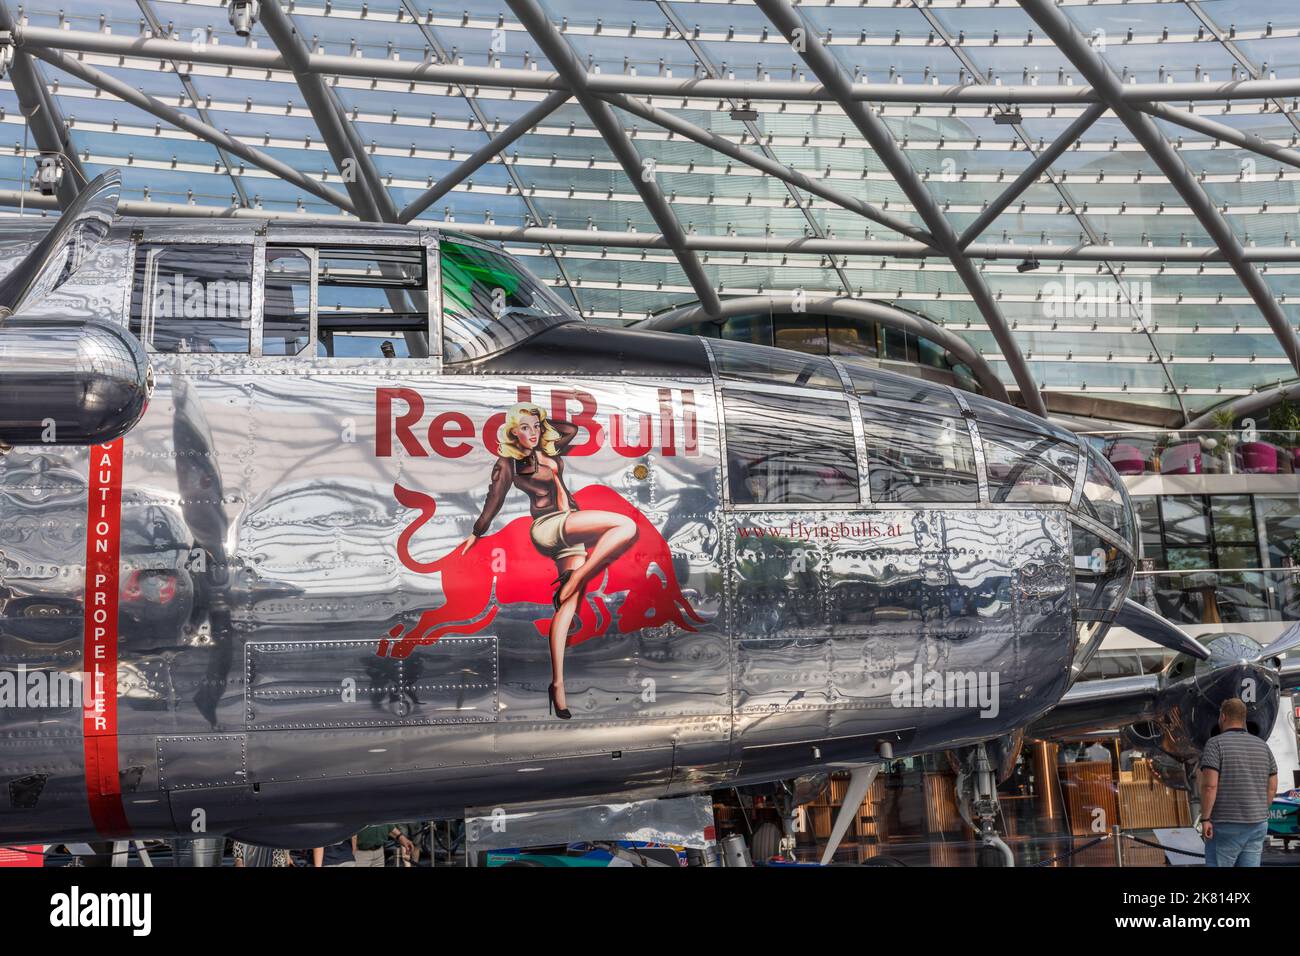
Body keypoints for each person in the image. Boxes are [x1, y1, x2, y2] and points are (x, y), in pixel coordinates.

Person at [461, 403, 638, 719]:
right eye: (524, 428)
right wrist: (477, 531)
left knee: (566, 607)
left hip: (569, 529)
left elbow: (571, 430)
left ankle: (558, 686)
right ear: (513, 431)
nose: (532, 433)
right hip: (548, 526)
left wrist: (538, 416)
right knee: (625, 525)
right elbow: (494, 498)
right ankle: (579, 576)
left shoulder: (549, 448)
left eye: (536, 427)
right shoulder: (510, 462)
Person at [1199, 698, 1278, 867]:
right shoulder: (1262, 746)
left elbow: (1209, 786)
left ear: (1223, 717)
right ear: (1244, 718)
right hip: (1257, 824)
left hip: (1226, 824)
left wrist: (1205, 818)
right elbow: (1272, 786)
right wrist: (1261, 810)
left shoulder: (1215, 744)